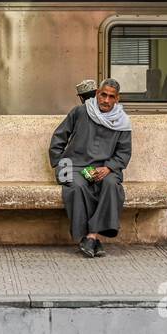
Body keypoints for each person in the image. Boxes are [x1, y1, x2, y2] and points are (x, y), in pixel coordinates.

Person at [49, 78, 132, 258]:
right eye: (103, 95)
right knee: (77, 187)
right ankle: (92, 238)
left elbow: (124, 152)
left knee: (111, 186)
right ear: (97, 94)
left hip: (105, 169)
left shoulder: (122, 121)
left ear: (117, 99)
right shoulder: (80, 111)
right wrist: (59, 164)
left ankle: (91, 236)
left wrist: (109, 168)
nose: (106, 100)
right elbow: (59, 138)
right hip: (74, 166)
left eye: (111, 97)